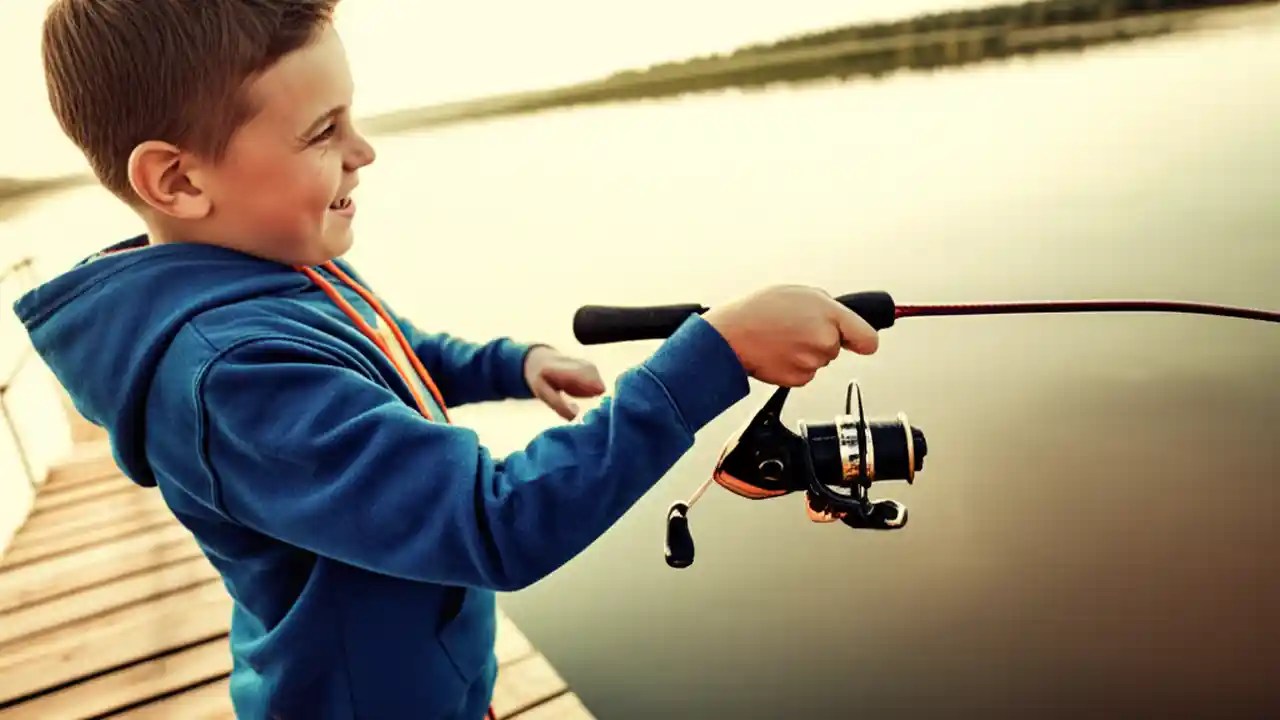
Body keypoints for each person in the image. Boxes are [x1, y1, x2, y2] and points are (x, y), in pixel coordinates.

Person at [14, 2, 880, 718]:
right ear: (176, 182)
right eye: (323, 131)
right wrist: (712, 360)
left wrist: (511, 363)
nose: (364, 150)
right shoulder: (232, 378)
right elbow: (493, 523)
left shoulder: (271, 268)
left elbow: (390, 345)